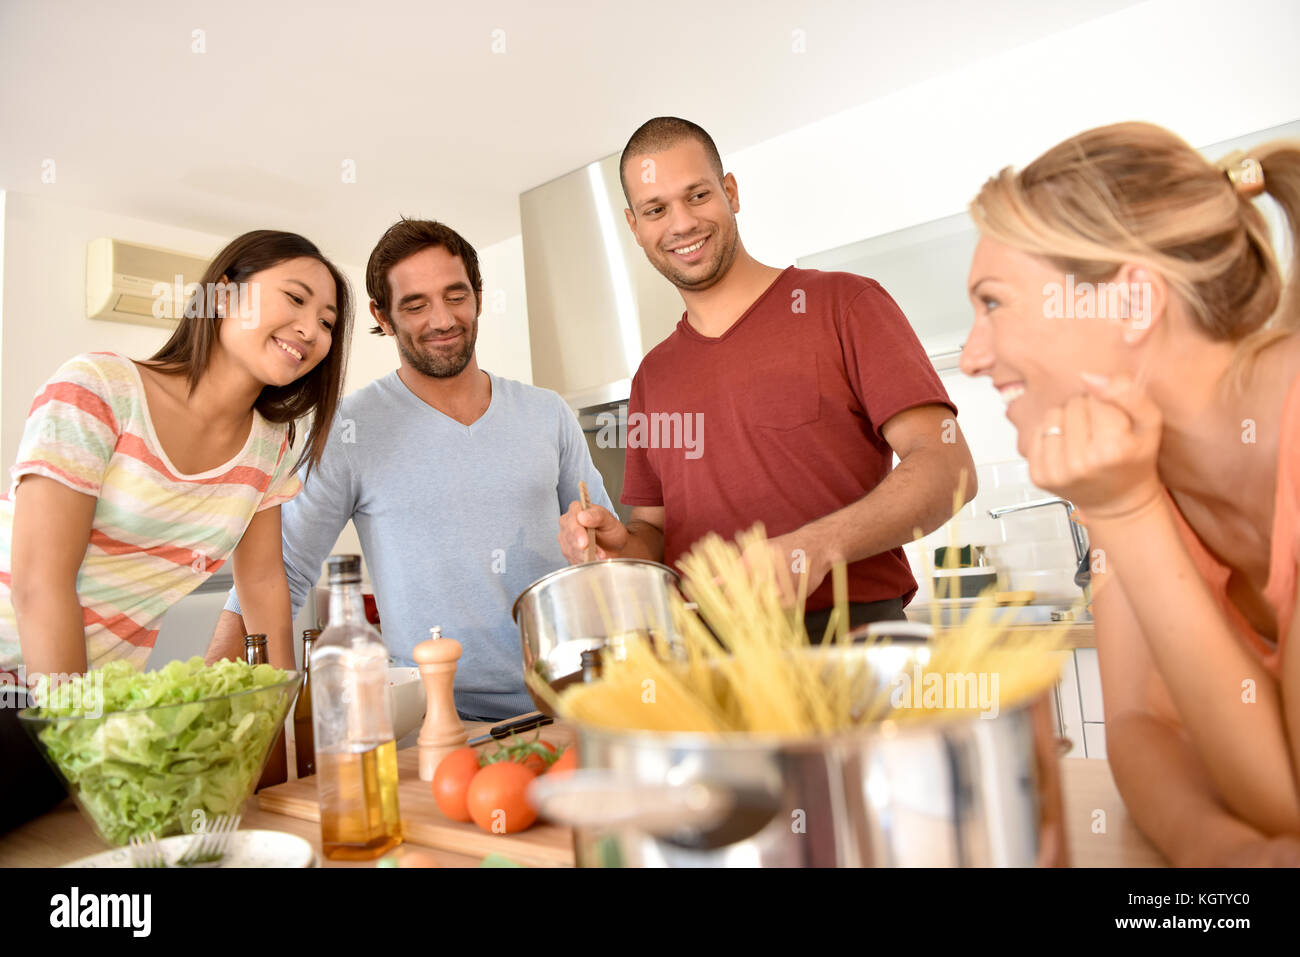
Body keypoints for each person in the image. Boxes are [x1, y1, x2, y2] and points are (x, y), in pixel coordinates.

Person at [959, 121, 1300, 866]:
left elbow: (1290, 803)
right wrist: (1223, 852)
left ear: (1133, 302)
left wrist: (1128, 512)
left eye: (993, 303)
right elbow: (1140, 729)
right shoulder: (1125, 464)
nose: (972, 354)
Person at [557, 117, 976, 635]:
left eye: (698, 195)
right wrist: (622, 546)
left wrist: (815, 547)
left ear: (730, 192)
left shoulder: (845, 305)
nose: (682, 223)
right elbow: (653, 533)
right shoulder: (653, 377)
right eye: (656, 209)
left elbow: (948, 466)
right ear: (635, 226)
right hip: (710, 661)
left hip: (855, 641)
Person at [0, 229, 352, 831]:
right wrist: (86, 745)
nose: (312, 331)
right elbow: (39, 582)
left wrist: (269, 752)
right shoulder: (99, 388)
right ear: (221, 295)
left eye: (326, 322)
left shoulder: (271, 443)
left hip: (73, 710)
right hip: (39, 696)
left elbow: (265, 584)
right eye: (295, 298)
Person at [206, 218, 612, 721]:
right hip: (436, 722)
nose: (442, 320)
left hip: (573, 707)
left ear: (478, 297)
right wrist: (207, 713)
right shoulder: (347, 429)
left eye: (455, 296)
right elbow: (281, 571)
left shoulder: (547, 413)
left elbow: (604, 555)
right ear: (382, 314)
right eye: (416, 305)